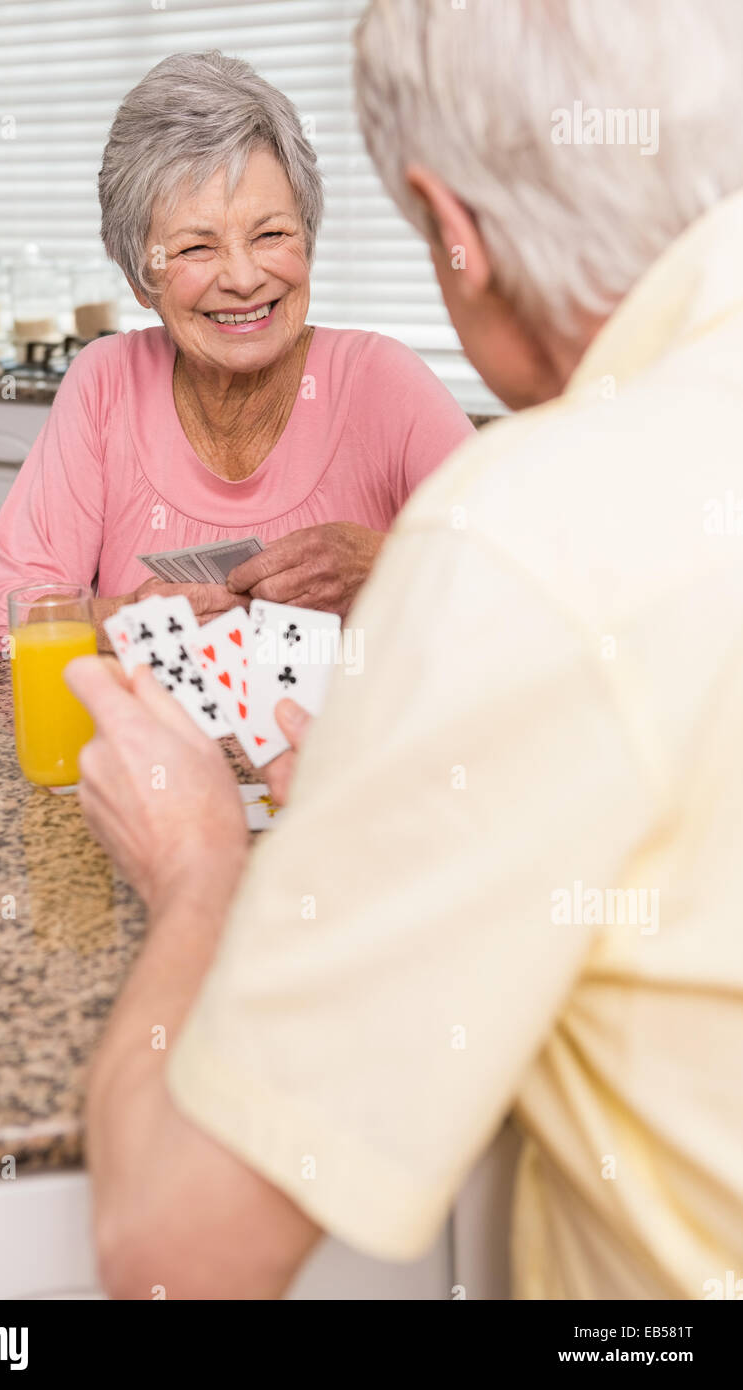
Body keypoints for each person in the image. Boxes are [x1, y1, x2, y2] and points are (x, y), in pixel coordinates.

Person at [65, 0, 743, 1299]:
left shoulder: (516, 528)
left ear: (453, 228)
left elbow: (170, 1250)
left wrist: (202, 861)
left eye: (271, 232)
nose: (243, 270)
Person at [0, 50, 472, 655]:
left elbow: (541, 576)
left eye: (271, 235)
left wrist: (386, 562)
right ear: (139, 279)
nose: (242, 278)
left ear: (307, 241)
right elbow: (7, 616)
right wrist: (126, 618)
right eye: (196, 248)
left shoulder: (381, 380)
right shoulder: (106, 382)